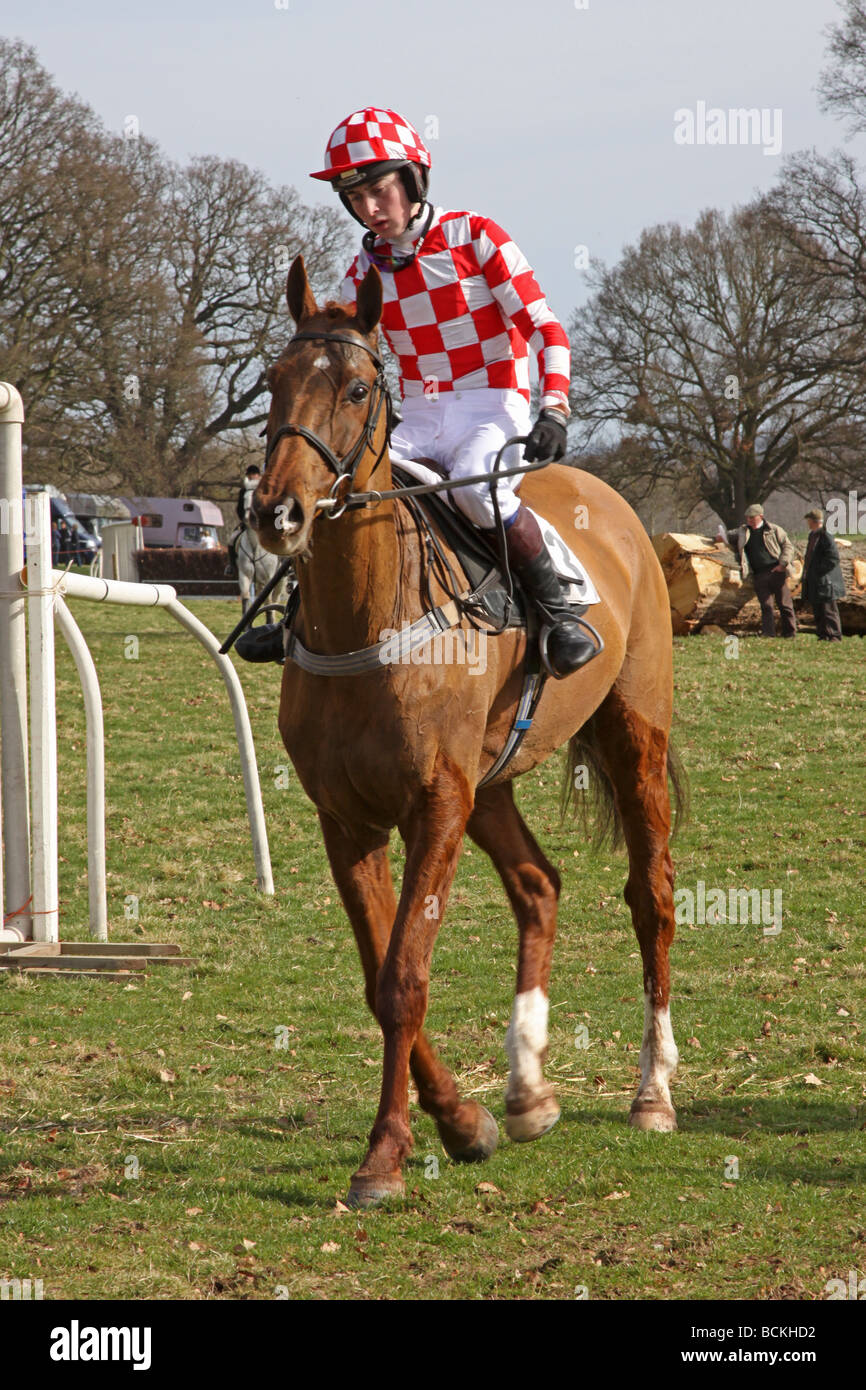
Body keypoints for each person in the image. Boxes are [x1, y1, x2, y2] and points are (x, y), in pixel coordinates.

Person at [303, 106, 596, 677]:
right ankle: (299, 614)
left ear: (414, 180)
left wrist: (555, 409)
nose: (369, 209)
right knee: (341, 488)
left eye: (379, 191)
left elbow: (546, 329)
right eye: (354, 197)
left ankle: (560, 611)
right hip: (418, 415)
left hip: (494, 404)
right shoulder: (362, 270)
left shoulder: (477, 236)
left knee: (477, 490)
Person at [718, 503, 797, 637]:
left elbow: (788, 546)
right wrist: (719, 537)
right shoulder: (743, 531)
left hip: (776, 571)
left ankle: (790, 633)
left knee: (785, 604)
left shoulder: (774, 529)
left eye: (752, 517)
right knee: (766, 606)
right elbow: (726, 536)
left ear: (761, 516)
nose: (749, 520)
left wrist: (783, 564)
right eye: (748, 518)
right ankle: (768, 633)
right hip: (759, 574)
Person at [802, 507, 844, 641]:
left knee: (829, 610)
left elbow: (833, 558)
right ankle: (823, 634)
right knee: (818, 609)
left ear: (813, 521)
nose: (808, 523)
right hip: (815, 580)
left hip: (826, 580)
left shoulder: (825, 535)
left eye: (809, 520)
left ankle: (834, 635)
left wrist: (819, 571)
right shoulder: (812, 535)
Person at [225, 465, 262, 578]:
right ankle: (231, 565)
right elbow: (239, 508)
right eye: (249, 475)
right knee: (232, 539)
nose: (250, 477)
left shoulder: (264, 489)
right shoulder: (244, 490)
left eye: (252, 475)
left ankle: (284, 565)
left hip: (263, 523)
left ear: (257, 475)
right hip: (247, 523)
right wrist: (244, 520)